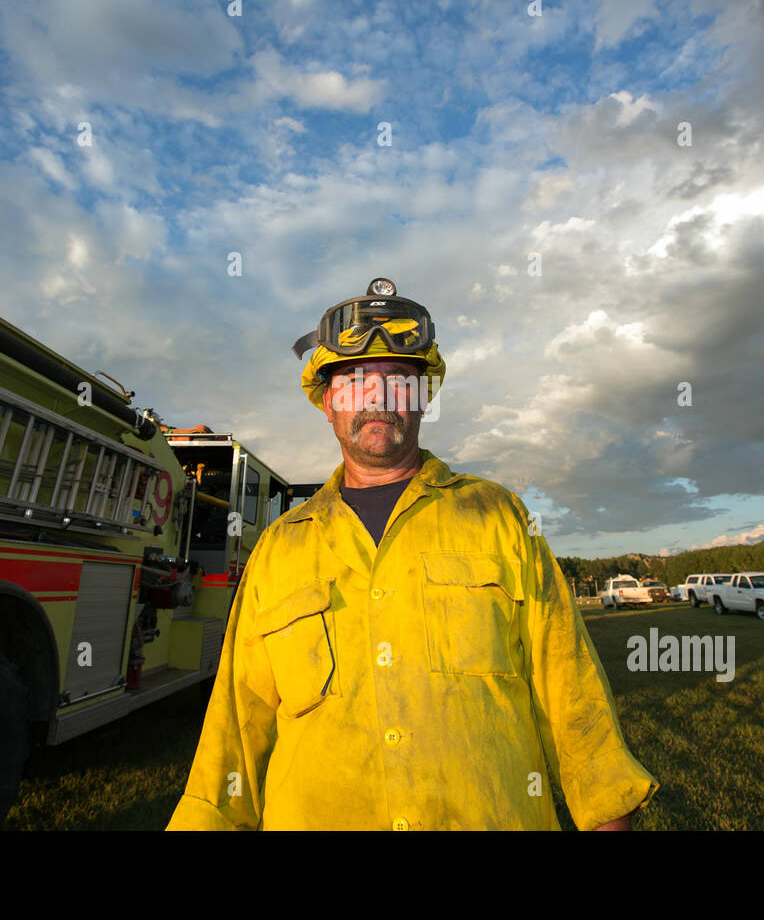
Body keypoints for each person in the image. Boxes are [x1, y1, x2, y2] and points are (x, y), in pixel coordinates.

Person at [166, 279, 657, 830]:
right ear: (327, 402)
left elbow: (571, 692)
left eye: (397, 381)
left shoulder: (500, 517)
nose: (376, 398)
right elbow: (234, 730)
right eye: (354, 381)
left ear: (423, 397)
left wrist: (607, 810)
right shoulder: (281, 548)